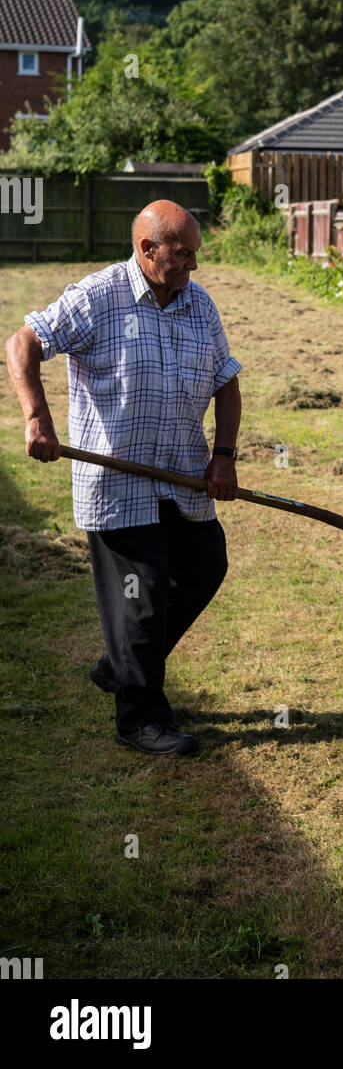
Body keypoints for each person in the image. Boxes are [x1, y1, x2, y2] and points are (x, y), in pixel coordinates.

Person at [4, 200, 242, 757]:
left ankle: (120, 664)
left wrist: (224, 454)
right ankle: (139, 720)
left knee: (206, 564)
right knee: (142, 593)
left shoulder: (199, 306)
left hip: (182, 473)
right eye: (181, 253)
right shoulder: (98, 297)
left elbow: (226, 383)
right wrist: (37, 415)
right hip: (117, 481)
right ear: (146, 249)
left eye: (194, 254)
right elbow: (22, 343)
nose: (191, 264)